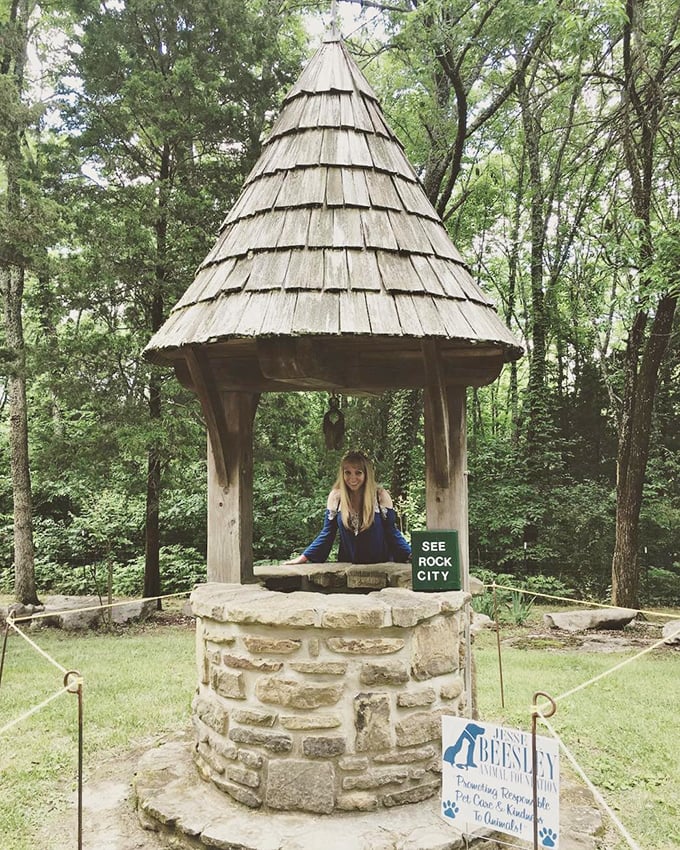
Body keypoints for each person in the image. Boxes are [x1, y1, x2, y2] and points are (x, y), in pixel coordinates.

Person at [285, 450, 411, 565]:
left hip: (380, 565)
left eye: (358, 473)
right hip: (347, 565)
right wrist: (304, 557)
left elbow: (391, 531)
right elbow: (328, 533)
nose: (352, 478)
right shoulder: (336, 497)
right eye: (348, 473)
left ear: (366, 474)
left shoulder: (380, 496)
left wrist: (412, 556)